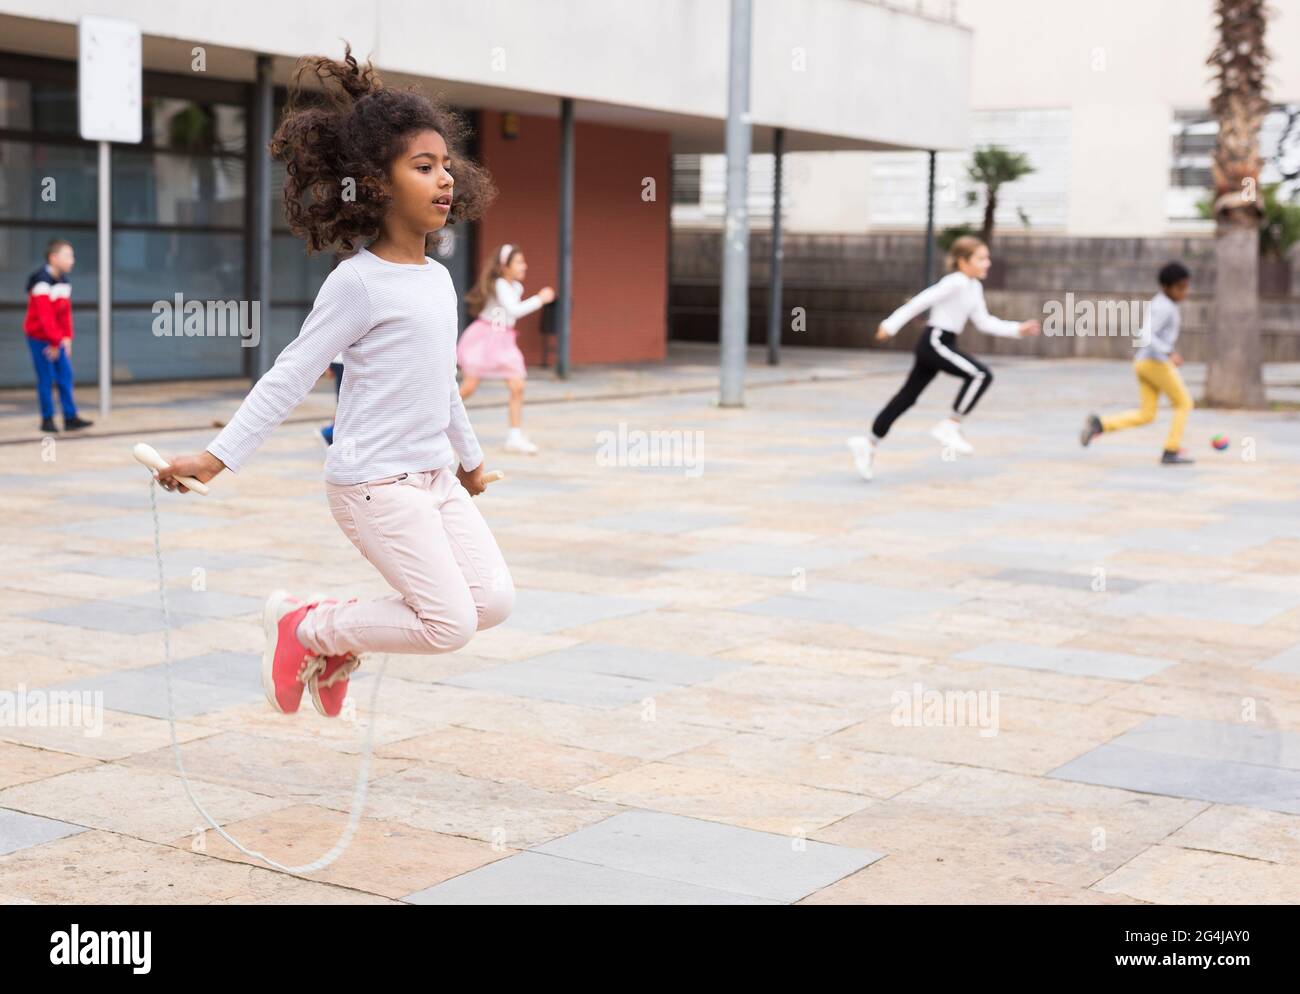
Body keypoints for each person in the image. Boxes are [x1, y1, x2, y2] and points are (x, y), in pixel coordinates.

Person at [154, 44, 513, 719]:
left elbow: (440, 383)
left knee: (493, 602)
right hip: (374, 486)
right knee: (449, 624)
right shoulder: (357, 284)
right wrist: (216, 457)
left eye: (446, 167)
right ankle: (307, 628)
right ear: (376, 183)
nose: (445, 181)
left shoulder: (436, 280)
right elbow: (291, 374)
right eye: (423, 166)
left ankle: (327, 640)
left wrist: (471, 461)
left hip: (434, 478)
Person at [847, 236, 1040, 479]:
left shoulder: (973, 286)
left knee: (907, 397)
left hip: (940, 343)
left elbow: (983, 322)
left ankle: (869, 443)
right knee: (980, 374)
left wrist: (1016, 329)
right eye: (981, 258)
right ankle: (950, 425)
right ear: (963, 261)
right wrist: (890, 325)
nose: (987, 263)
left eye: (987, 258)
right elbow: (920, 302)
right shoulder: (955, 282)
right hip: (935, 341)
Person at [1081, 261, 1195, 465]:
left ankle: (1100, 425)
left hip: (1143, 363)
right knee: (1184, 403)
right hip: (1155, 363)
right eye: (1180, 288)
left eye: (1186, 287)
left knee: (1146, 414)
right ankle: (1171, 450)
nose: (1184, 292)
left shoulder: (1161, 302)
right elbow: (1144, 334)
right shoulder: (1165, 307)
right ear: (1167, 287)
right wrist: (1169, 352)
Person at [457, 243, 554, 454]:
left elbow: (509, 315)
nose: (524, 266)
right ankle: (437, 423)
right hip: (484, 338)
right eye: (519, 262)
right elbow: (513, 310)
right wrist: (540, 298)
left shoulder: (516, 287)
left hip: (504, 340)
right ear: (504, 266)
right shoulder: (500, 283)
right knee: (469, 386)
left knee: (517, 385)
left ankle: (514, 436)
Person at [24, 238, 93, 435]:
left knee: (65, 376)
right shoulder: (40, 282)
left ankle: (70, 418)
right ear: (54, 258)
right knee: (46, 378)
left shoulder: (64, 282)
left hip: (57, 339)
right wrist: (54, 342)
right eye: (68, 256)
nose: (72, 260)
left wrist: (66, 339)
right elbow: (45, 318)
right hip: (39, 339)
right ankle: (47, 419)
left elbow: (64, 315)